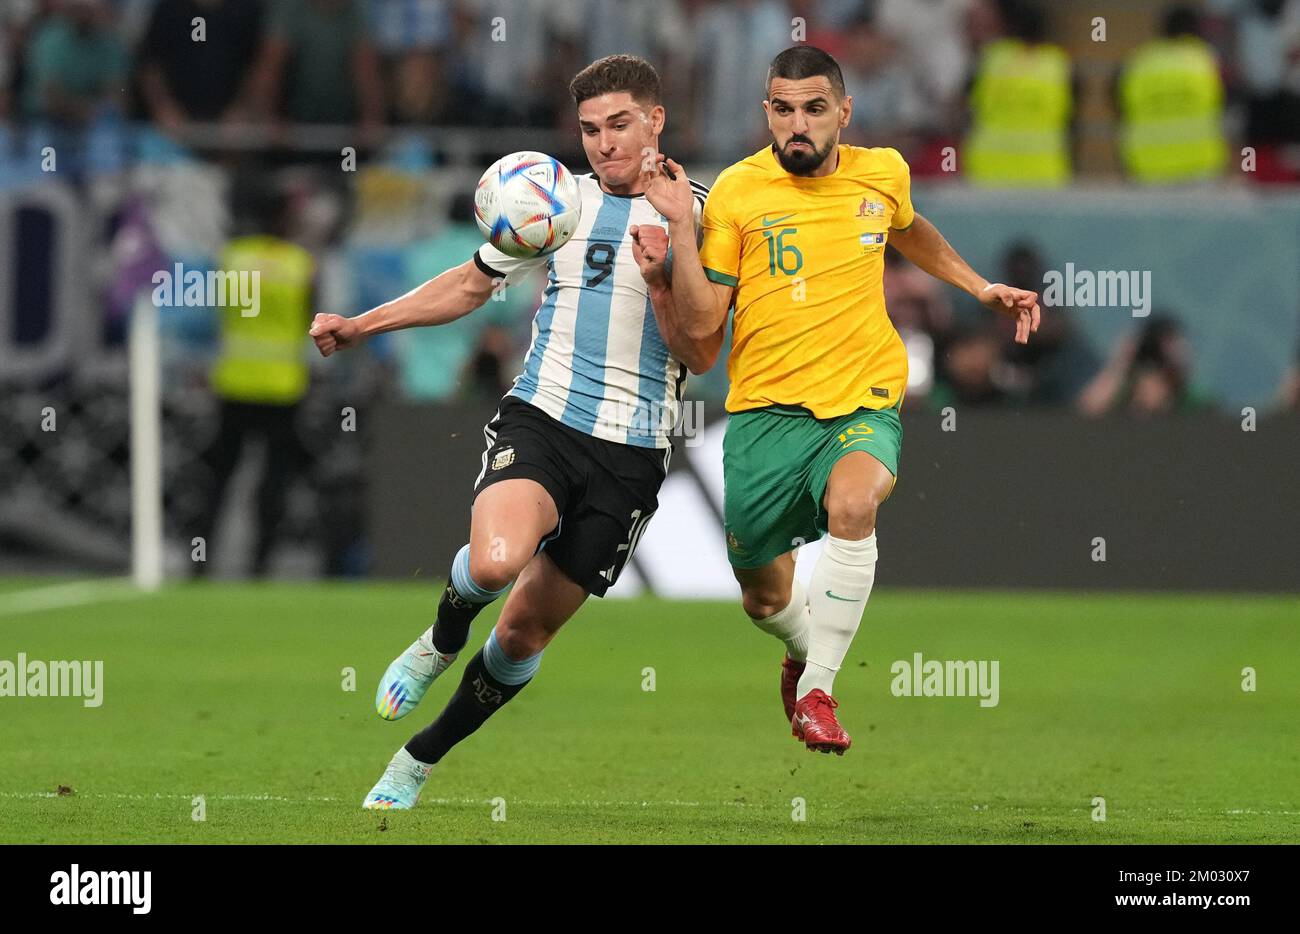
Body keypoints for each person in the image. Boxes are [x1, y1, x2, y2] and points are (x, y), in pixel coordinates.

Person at [309, 55, 722, 809]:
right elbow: (471, 283)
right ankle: (439, 638)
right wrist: (362, 324)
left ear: (656, 121)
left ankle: (417, 760)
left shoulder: (706, 211)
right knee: (497, 564)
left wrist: (672, 262)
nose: (603, 143)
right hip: (544, 419)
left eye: (619, 125)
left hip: (632, 452)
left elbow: (700, 349)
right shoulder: (555, 205)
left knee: (525, 635)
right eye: (591, 129)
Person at [643, 45, 1039, 754]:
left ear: (843, 113)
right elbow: (705, 329)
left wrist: (979, 287)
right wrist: (678, 236)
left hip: (862, 402)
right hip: (765, 414)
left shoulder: (881, 173)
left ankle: (819, 689)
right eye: (784, 109)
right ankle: (801, 650)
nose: (798, 124)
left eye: (815, 109)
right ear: (767, 110)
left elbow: (910, 228)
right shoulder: (737, 192)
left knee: (855, 506)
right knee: (763, 597)